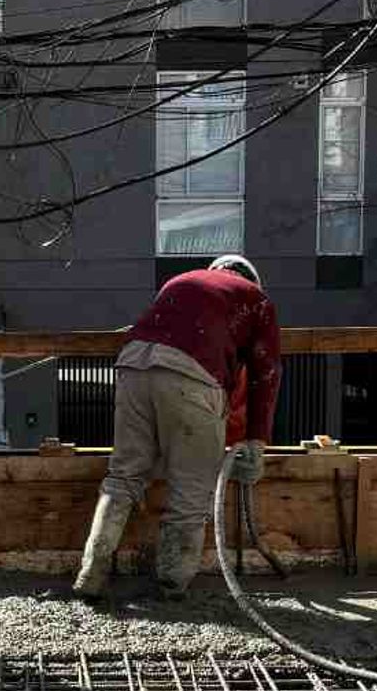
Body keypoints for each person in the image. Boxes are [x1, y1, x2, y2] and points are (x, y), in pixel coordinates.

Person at [73, 256, 281, 601]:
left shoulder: (181, 281)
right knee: (191, 490)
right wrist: (257, 441)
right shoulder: (256, 300)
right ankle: (172, 585)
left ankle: (91, 572)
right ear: (251, 281)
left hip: (133, 365)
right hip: (191, 375)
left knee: (123, 476)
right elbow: (266, 373)